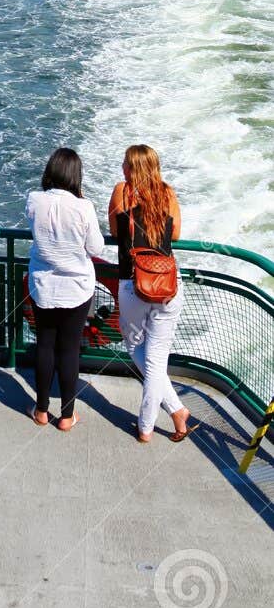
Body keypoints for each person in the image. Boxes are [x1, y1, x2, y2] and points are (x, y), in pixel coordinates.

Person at [108, 145, 191, 443]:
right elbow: (176, 234)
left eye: (124, 164)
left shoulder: (123, 191)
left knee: (135, 347)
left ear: (131, 169)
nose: (121, 168)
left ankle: (146, 427)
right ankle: (177, 411)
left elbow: (116, 232)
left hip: (133, 282)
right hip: (169, 282)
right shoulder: (168, 193)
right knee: (157, 358)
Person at [25, 149, 104, 431]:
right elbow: (96, 248)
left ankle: (42, 410)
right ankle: (67, 416)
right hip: (76, 289)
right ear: (76, 176)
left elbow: (34, 228)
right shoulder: (84, 207)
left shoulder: (34, 200)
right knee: (69, 349)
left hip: (43, 286)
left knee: (45, 345)